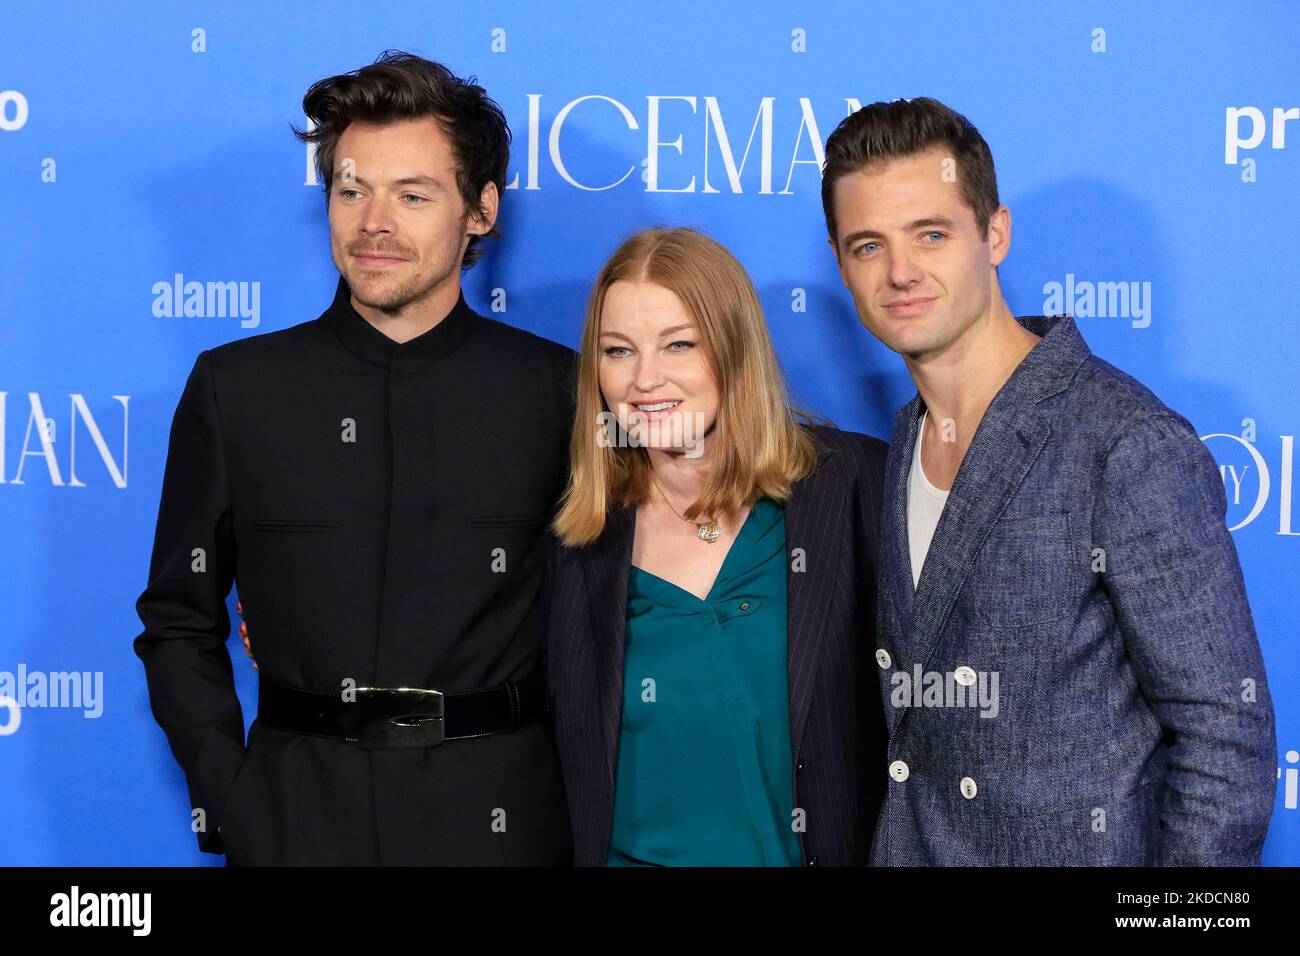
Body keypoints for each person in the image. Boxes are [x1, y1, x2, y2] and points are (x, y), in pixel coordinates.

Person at [134, 51, 575, 865]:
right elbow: (176, 622)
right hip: (297, 816)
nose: (373, 222)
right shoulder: (239, 389)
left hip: (503, 821)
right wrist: (234, 798)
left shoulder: (560, 391)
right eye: (350, 189)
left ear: (480, 210)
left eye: (413, 194)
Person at [821, 96, 1277, 865]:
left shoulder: (1125, 444)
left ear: (994, 234)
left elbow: (1226, 744)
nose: (900, 272)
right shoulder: (905, 437)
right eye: (868, 246)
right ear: (841, 263)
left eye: (931, 234)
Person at [542, 226, 888, 866]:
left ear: (734, 350)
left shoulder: (851, 486)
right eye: (618, 351)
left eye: (678, 345)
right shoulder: (577, 540)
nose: (645, 380)